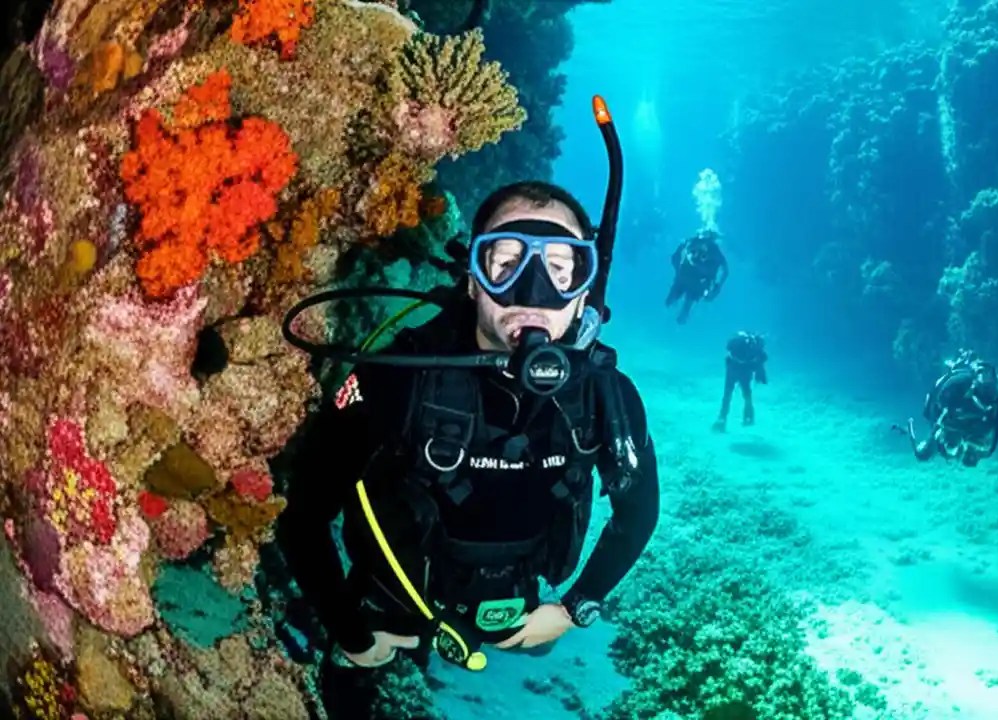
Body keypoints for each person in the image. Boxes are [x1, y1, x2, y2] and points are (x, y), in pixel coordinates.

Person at [277, 180, 660, 718]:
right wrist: (352, 633)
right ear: (472, 280)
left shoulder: (605, 397)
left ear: (583, 289)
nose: (532, 292)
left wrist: (576, 608)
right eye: (504, 262)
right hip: (395, 600)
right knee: (352, 680)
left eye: (560, 267)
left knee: (537, 642)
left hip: (520, 602)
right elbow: (304, 519)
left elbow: (639, 510)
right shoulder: (397, 378)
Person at [898, 349, 998, 467]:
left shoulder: (940, 426)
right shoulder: (976, 431)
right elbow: (995, 420)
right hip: (955, 396)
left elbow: (995, 419)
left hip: (953, 396)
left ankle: (965, 367)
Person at [665, 228, 728, 324]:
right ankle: (669, 322)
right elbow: (675, 258)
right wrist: (717, 287)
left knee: (679, 305)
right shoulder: (690, 243)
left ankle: (671, 324)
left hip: (694, 282)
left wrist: (717, 287)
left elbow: (725, 271)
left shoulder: (713, 251)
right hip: (688, 280)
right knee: (672, 303)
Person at [712, 331, 767, 432]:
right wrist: (760, 375)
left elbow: (728, 350)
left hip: (733, 367)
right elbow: (762, 361)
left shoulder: (741, 345)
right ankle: (748, 418)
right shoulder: (755, 349)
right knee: (746, 394)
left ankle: (722, 419)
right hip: (743, 369)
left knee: (728, 394)